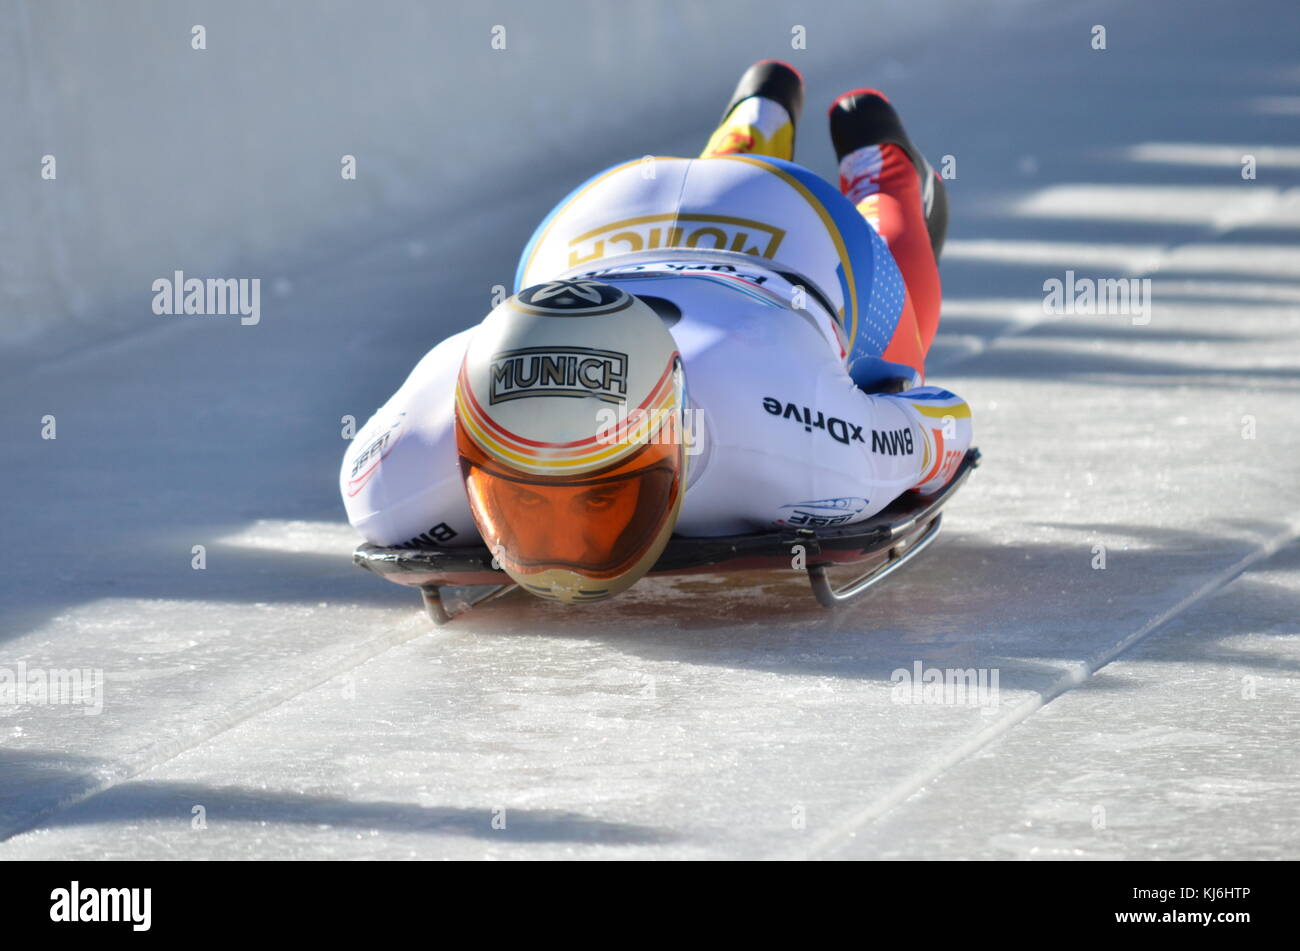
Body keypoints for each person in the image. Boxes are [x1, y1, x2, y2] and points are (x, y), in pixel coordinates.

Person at [341, 60, 973, 603]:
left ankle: (882, 169)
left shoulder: (808, 449)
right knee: (724, 201)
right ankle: (752, 126)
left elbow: (942, 422)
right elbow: (947, 427)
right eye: (524, 504)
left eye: (602, 502)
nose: (565, 552)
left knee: (897, 347)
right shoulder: (405, 463)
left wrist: (895, 423)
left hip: (799, 239)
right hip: (600, 230)